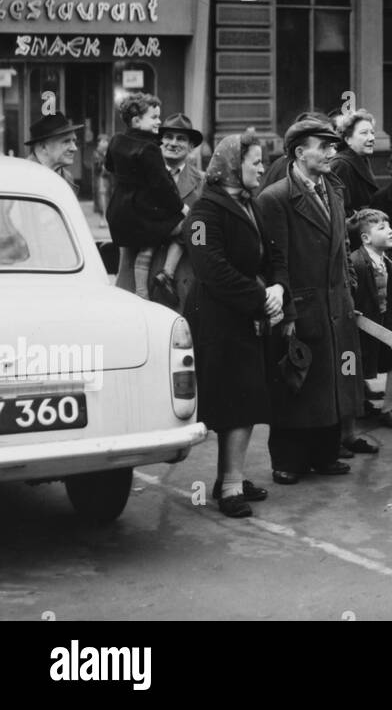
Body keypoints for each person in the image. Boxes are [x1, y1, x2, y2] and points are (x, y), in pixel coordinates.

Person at [254, 118, 364, 483]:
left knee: (332, 381)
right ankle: (287, 461)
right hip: (301, 305)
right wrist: (286, 313)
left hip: (336, 303)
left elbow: (343, 249)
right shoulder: (275, 197)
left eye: (334, 146)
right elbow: (274, 261)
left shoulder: (333, 190)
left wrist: (349, 292)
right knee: (297, 383)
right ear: (300, 153)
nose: (333, 152)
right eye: (325, 146)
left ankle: (325, 454)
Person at [185, 133, 286, 519]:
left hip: (245, 314)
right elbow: (211, 269)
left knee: (244, 397)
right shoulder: (204, 212)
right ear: (231, 166)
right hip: (215, 318)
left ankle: (232, 477)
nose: (262, 168)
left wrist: (278, 287)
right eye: (255, 162)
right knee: (233, 400)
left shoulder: (252, 206)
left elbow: (272, 254)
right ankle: (229, 487)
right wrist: (261, 298)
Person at [105, 93, 186, 303]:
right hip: (142, 214)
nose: (159, 121)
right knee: (186, 225)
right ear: (136, 120)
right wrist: (181, 208)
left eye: (181, 139)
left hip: (120, 211)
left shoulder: (116, 140)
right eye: (154, 117)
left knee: (150, 242)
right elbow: (163, 186)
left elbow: (109, 166)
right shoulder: (150, 148)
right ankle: (162, 277)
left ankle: (148, 290)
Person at [349, 208, 392, 436]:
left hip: (383, 325)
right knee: (349, 366)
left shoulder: (386, 261)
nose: (390, 231)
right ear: (366, 238)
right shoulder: (357, 263)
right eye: (382, 228)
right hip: (359, 330)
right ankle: (354, 407)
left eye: (389, 226)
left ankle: (390, 406)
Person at [156, 113, 206, 313]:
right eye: (168, 137)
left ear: (191, 146)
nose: (173, 143)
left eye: (181, 139)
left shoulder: (203, 181)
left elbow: (202, 232)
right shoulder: (143, 176)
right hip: (148, 269)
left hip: (187, 272)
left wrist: (188, 231)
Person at [331, 110, 381, 227]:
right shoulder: (341, 164)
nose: (371, 138)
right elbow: (341, 210)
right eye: (364, 133)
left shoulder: (361, 159)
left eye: (372, 133)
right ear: (348, 139)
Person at [25, 113, 84, 192]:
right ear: (43, 147)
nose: (74, 148)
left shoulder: (67, 177)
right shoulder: (23, 177)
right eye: (66, 141)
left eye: (74, 141)